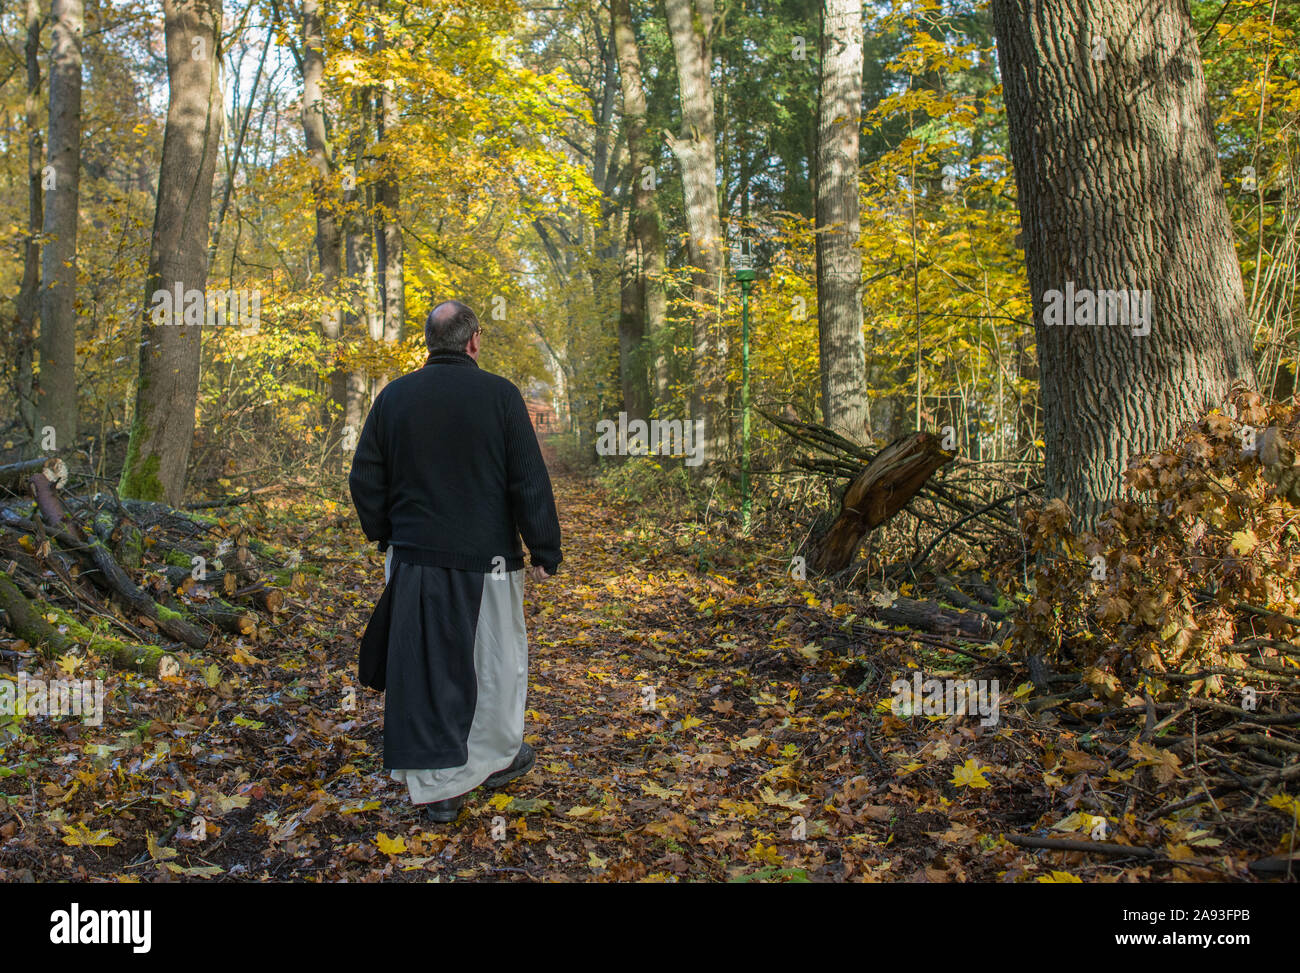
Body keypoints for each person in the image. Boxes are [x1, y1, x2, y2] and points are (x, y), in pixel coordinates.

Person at [349, 300, 562, 822]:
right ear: (473, 341)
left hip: (414, 558)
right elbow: (527, 479)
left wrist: (386, 534)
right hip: (486, 562)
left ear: (431, 342)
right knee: (494, 665)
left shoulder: (395, 396)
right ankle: (488, 760)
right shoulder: (500, 396)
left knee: (424, 668)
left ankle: (442, 785)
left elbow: (364, 478)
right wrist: (545, 549)